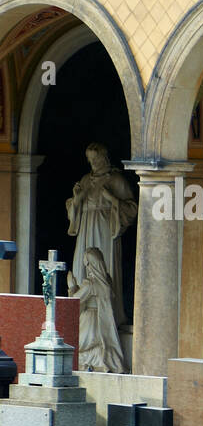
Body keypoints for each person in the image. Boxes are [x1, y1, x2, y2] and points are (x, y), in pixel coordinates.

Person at [66, 142, 137, 327]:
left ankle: (108, 312)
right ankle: (82, 309)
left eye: (95, 159)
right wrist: (77, 200)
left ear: (104, 158)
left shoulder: (116, 180)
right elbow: (73, 211)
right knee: (83, 264)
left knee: (103, 263)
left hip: (106, 228)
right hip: (85, 228)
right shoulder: (85, 180)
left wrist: (113, 200)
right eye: (90, 159)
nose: (93, 163)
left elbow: (131, 209)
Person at [72, 247, 125, 373]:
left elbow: (75, 301)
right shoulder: (107, 280)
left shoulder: (91, 284)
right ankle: (97, 362)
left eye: (87, 264)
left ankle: (87, 363)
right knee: (99, 345)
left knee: (77, 344)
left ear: (91, 264)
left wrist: (72, 287)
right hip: (103, 321)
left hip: (89, 319)